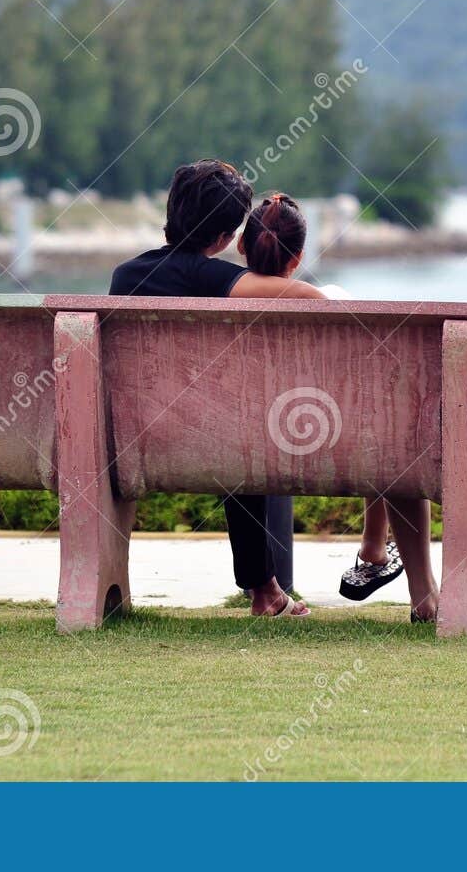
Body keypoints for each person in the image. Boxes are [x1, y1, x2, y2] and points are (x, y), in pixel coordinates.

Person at [110, 161, 323, 617]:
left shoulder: (124, 277)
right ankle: (265, 593)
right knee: (236, 436)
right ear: (227, 239)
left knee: (227, 428)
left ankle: (108, 587)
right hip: (211, 447)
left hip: (130, 442)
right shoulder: (211, 279)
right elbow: (308, 298)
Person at [237, 192, 440, 623]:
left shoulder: (216, 300)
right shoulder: (326, 297)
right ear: (298, 256)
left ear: (241, 248)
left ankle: (373, 546)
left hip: (243, 450)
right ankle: (414, 587)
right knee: (391, 430)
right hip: (336, 448)